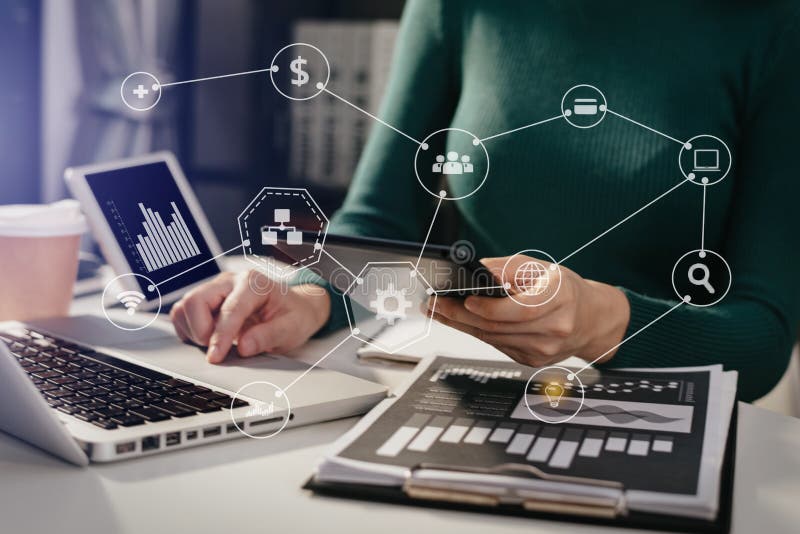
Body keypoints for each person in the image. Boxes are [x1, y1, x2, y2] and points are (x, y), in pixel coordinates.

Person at [171, 0, 800, 402]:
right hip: (474, 392)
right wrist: (309, 294)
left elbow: (763, 337)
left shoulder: (773, 24)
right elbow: (380, 221)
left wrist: (597, 319)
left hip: (666, 415)